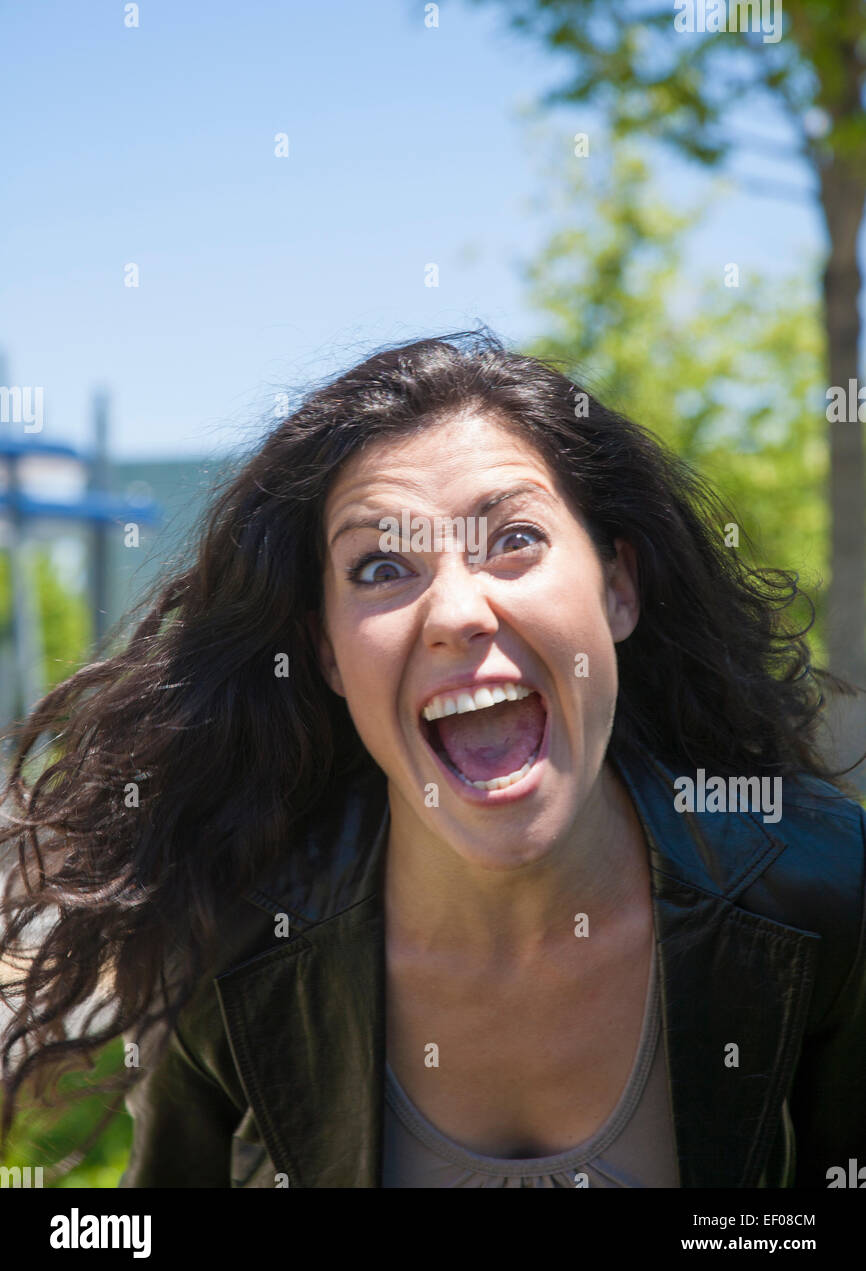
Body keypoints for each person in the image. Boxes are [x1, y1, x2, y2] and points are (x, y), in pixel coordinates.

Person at [1, 329, 864, 1188]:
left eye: (513, 538)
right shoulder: (228, 946)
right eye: (381, 568)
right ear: (327, 653)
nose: (457, 612)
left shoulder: (829, 895)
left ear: (618, 588)